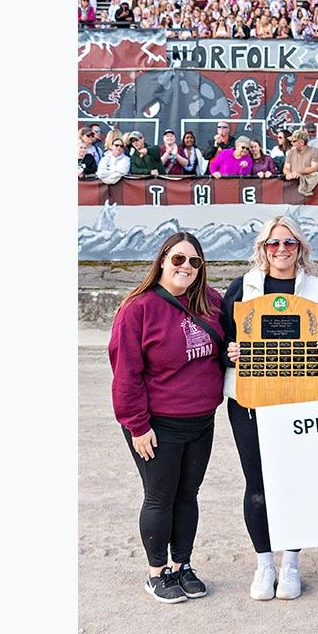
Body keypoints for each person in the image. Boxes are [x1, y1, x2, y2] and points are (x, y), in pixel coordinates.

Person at [220, 216, 318, 601]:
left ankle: (290, 561)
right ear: (263, 249)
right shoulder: (243, 287)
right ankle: (264, 563)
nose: (282, 250)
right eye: (274, 244)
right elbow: (223, 336)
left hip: (300, 400)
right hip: (250, 401)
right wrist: (230, 352)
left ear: (300, 248)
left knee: (296, 482)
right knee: (257, 486)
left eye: (289, 243)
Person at [108, 232, 225, 603]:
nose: (185, 267)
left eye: (194, 262)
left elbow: (233, 345)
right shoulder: (138, 309)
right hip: (158, 424)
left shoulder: (212, 302)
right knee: (160, 497)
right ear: (162, 260)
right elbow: (126, 373)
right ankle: (156, 572)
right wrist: (137, 425)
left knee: (188, 494)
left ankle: (182, 564)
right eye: (178, 259)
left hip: (201, 420)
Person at [282, 129, 318, 196]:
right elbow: (286, 168)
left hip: (311, 188)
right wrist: (290, 174)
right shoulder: (291, 152)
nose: (291, 143)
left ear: (302, 142)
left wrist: (298, 172)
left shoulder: (314, 151)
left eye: (294, 141)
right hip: (292, 187)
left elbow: (314, 168)